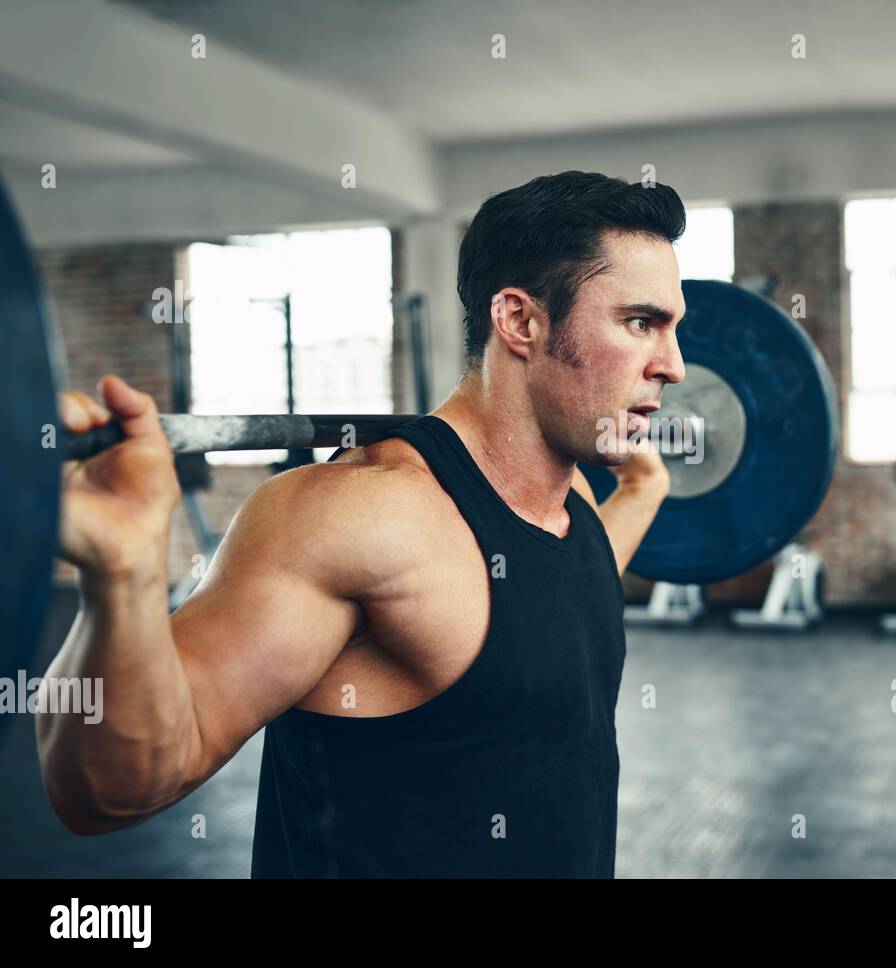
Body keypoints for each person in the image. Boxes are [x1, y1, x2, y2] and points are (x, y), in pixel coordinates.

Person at [37, 170, 689, 877]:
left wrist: (645, 490)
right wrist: (122, 577)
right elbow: (111, 791)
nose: (675, 366)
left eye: (672, 328)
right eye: (639, 322)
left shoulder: (576, 509)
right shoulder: (356, 517)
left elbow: (552, 607)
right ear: (521, 321)